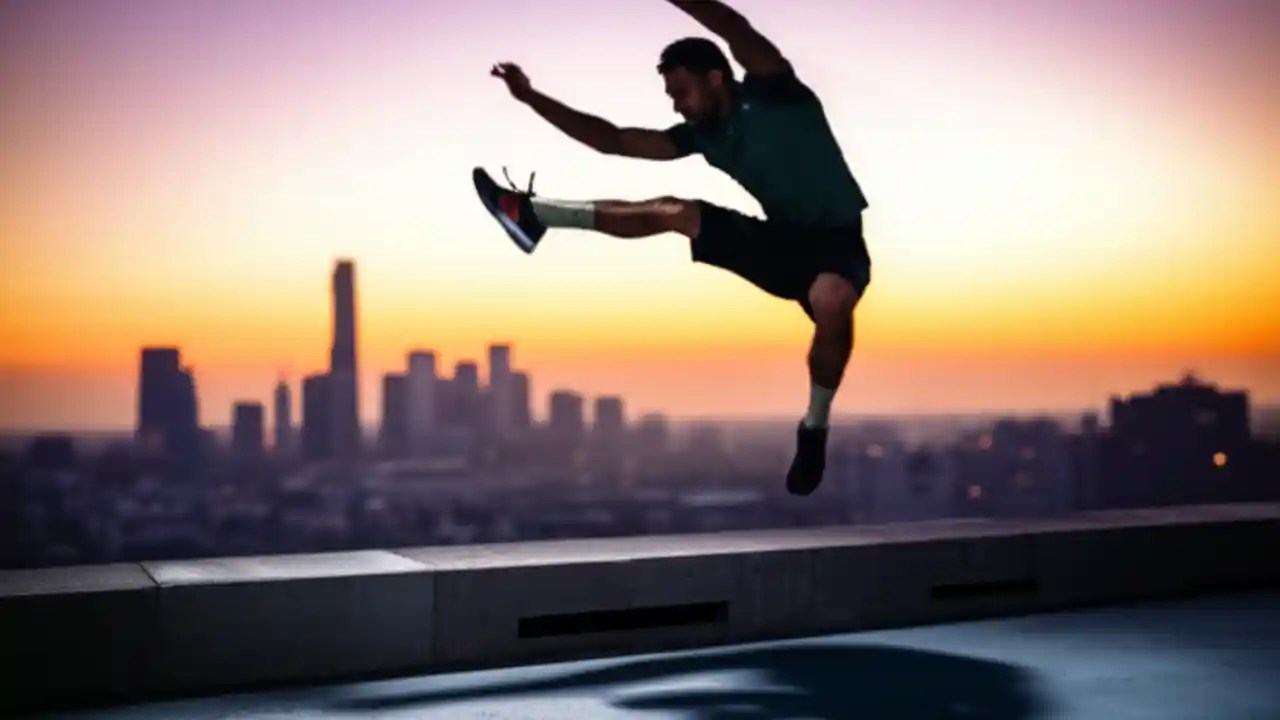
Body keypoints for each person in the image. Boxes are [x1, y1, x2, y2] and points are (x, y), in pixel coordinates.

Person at [474, 0, 870, 496]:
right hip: (779, 244)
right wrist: (530, 97)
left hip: (837, 243)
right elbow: (612, 139)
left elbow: (731, 24)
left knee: (833, 296)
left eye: (680, 90)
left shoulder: (776, 90)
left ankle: (814, 428)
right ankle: (534, 215)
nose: (676, 103)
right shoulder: (701, 137)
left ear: (717, 78)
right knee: (674, 210)